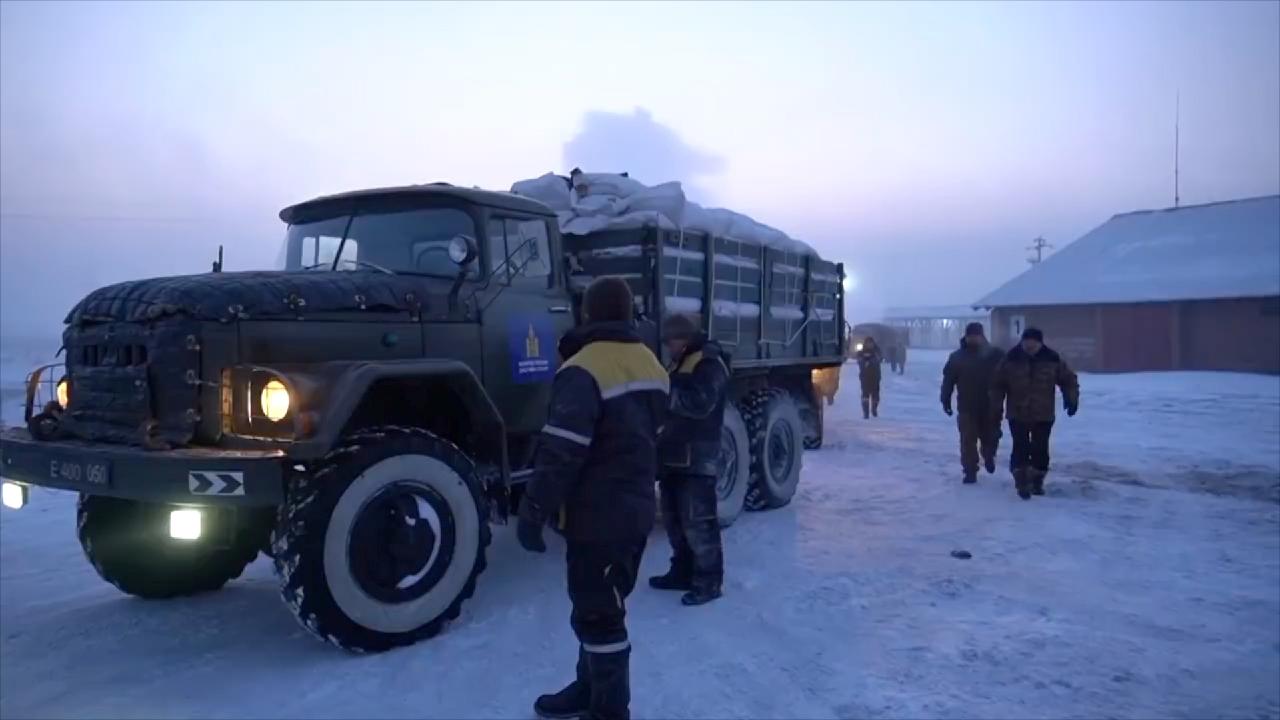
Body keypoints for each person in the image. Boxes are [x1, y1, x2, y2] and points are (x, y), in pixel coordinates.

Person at [517, 276, 669, 720]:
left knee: (600, 615)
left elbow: (561, 451)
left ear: (587, 314)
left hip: (599, 516)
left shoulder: (582, 369)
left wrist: (532, 510)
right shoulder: (652, 363)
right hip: (635, 508)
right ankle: (587, 689)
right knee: (598, 604)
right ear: (627, 314)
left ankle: (609, 710)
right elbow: (658, 433)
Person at [650, 314, 729, 606]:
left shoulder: (709, 363)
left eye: (673, 341)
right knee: (674, 519)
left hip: (698, 455)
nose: (669, 347)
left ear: (685, 338)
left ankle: (709, 581)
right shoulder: (682, 361)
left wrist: (662, 391)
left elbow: (700, 403)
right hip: (674, 454)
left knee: (699, 522)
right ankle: (682, 571)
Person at [991, 327, 1080, 500]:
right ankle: (1021, 481)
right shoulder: (1011, 358)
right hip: (1017, 413)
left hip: (1043, 414)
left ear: (1040, 342)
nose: (1029, 345)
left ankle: (1037, 481)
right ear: (1022, 341)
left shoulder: (1052, 359)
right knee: (1020, 447)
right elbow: (997, 384)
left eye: (1033, 341)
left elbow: (1069, 380)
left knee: (1041, 449)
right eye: (1026, 341)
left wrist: (1072, 399)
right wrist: (996, 405)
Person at [941, 322, 1005, 484]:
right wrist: (945, 399)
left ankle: (989, 455)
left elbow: (1008, 377)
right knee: (967, 440)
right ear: (966, 336)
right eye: (971, 336)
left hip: (991, 406)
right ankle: (970, 471)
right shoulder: (957, 357)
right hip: (967, 406)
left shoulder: (996, 355)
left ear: (982, 336)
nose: (973, 339)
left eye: (977, 335)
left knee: (990, 437)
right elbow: (948, 380)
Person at [855, 336, 883, 419]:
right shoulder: (861, 352)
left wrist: (870, 362)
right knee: (865, 395)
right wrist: (864, 362)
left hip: (875, 376)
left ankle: (874, 409)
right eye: (868, 343)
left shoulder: (877, 351)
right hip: (865, 376)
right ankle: (866, 412)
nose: (869, 345)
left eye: (871, 343)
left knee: (875, 395)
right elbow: (858, 359)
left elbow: (879, 358)